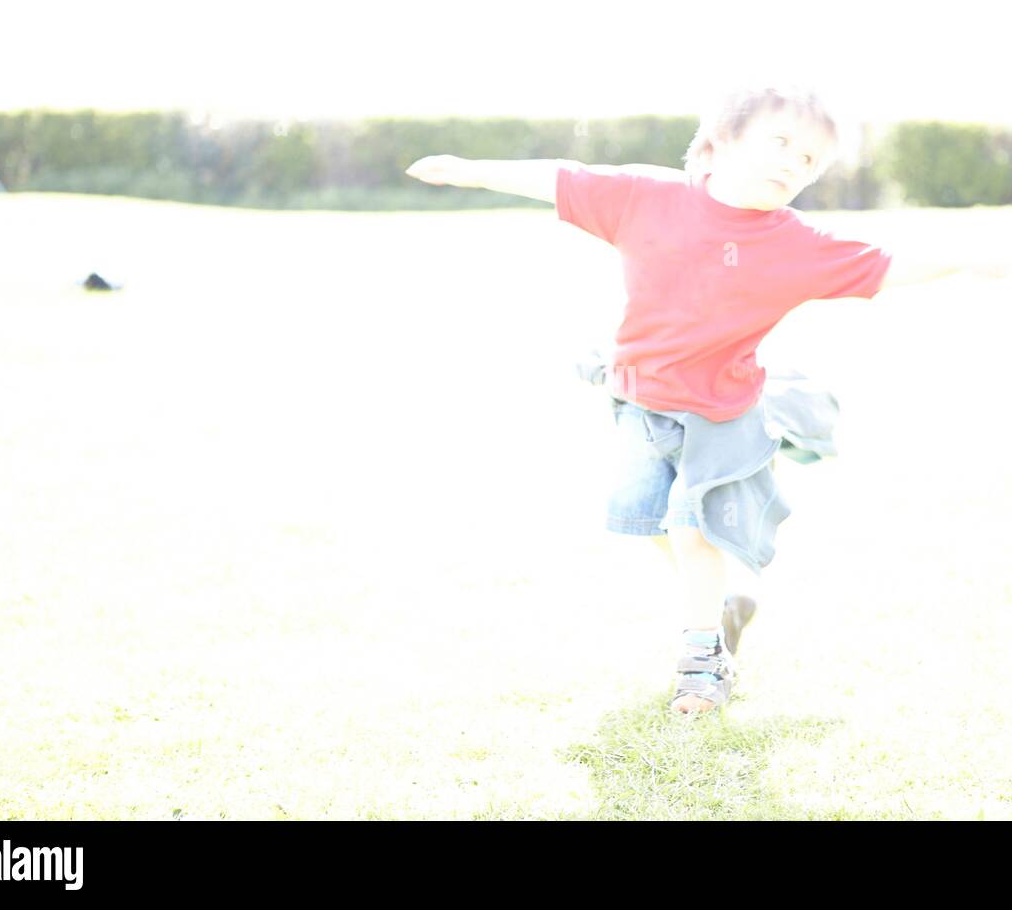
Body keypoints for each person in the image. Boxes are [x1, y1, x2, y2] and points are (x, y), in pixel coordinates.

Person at [405, 81, 967, 714]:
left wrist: (973, 259)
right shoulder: (646, 198)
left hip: (724, 414)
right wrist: (467, 171)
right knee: (647, 518)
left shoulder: (795, 244)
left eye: (809, 159)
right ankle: (722, 607)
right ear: (722, 140)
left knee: (692, 529)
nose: (792, 162)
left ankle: (702, 668)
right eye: (780, 142)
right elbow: (561, 179)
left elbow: (887, 265)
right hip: (640, 400)